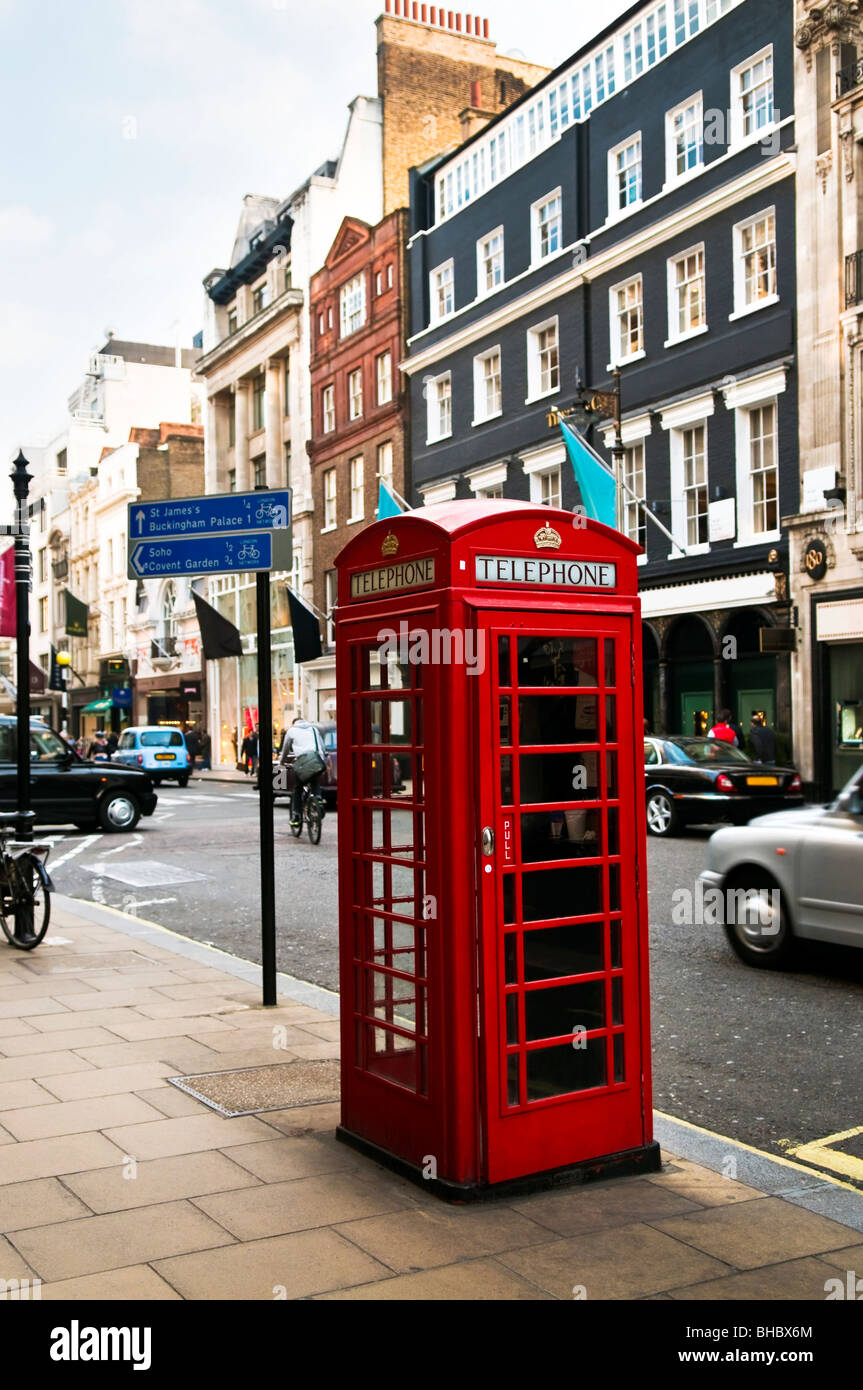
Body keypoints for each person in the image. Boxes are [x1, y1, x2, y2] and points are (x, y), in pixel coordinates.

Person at [280, 718, 326, 826]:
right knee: (314, 780)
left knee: (297, 788)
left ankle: (296, 816)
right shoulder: (314, 729)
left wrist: (282, 762)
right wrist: (323, 755)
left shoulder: (291, 731)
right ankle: (318, 798)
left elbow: (285, 749)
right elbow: (322, 746)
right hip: (316, 760)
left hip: (303, 761)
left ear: (294, 723)